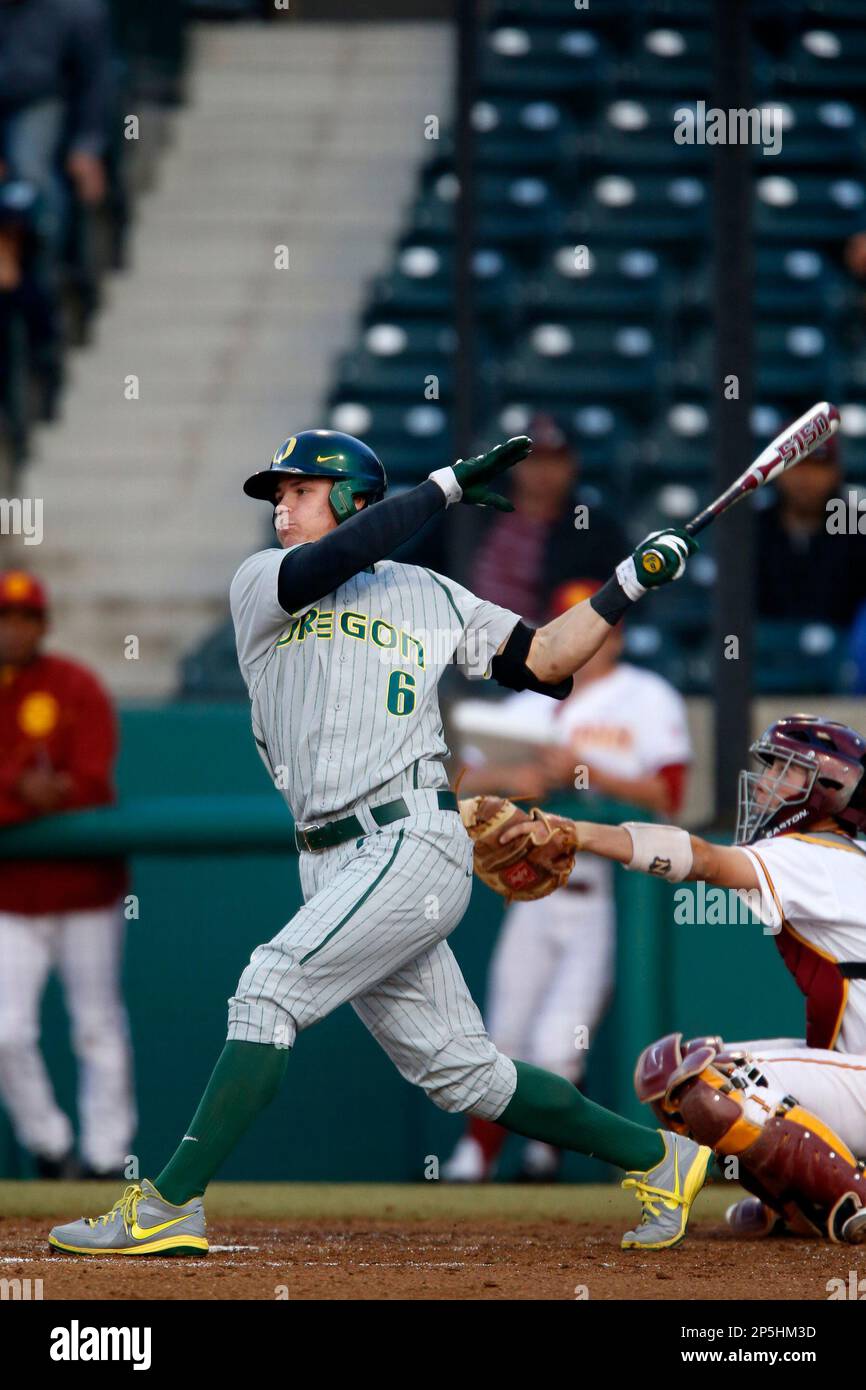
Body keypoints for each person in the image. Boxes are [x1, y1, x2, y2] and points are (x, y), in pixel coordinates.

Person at [48, 429, 709, 1258]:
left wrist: (625, 584)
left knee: (270, 986)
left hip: (411, 837)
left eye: (298, 490)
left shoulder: (428, 593)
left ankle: (169, 1202)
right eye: (277, 494)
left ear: (354, 497)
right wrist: (440, 490)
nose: (280, 506)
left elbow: (543, 660)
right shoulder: (262, 581)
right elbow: (329, 563)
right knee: (462, 1072)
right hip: (325, 856)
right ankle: (662, 1156)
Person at [495, 714, 866, 1244]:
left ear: (830, 789)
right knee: (667, 1076)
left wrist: (579, 832)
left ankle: (850, 1193)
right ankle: (804, 1203)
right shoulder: (843, 858)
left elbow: (706, 861)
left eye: (785, 770)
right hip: (857, 1071)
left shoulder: (813, 855)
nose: (763, 782)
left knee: (707, 1078)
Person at [444, 580, 691, 1182]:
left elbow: (671, 795)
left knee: (560, 1040)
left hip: (608, 892)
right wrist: (523, 772)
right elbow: (464, 780)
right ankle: (478, 1157)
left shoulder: (646, 695)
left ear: (616, 635)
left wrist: (584, 770)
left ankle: (543, 1156)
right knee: (502, 1029)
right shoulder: (530, 700)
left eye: (595, 626)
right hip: (532, 889)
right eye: (568, 621)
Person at [0, 570, 134, 1179]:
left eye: (24, 618)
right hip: (13, 895)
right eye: (4, 617)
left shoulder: (76, 685)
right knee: (6, 1032)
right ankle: (51, 1148)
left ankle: (107, 1160)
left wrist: (43, 793)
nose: (13, 629)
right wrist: (19, 790)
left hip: (85, 891)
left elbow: (92, 783)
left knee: (96, 1026)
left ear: (43, 625)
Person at [470, 413, 626, 627]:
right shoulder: (472, 511)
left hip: (545, 645)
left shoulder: (594, 529)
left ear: (573, 463)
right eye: (533, 460)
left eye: (554, 459)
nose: (543, 471)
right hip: (463, 637)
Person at [757, 433, 866, 628]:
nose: (805, 477)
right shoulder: (751, 530)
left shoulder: (857, 529)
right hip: (762, 654)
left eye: (818, 466)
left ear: (836, 472)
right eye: (796, 464)